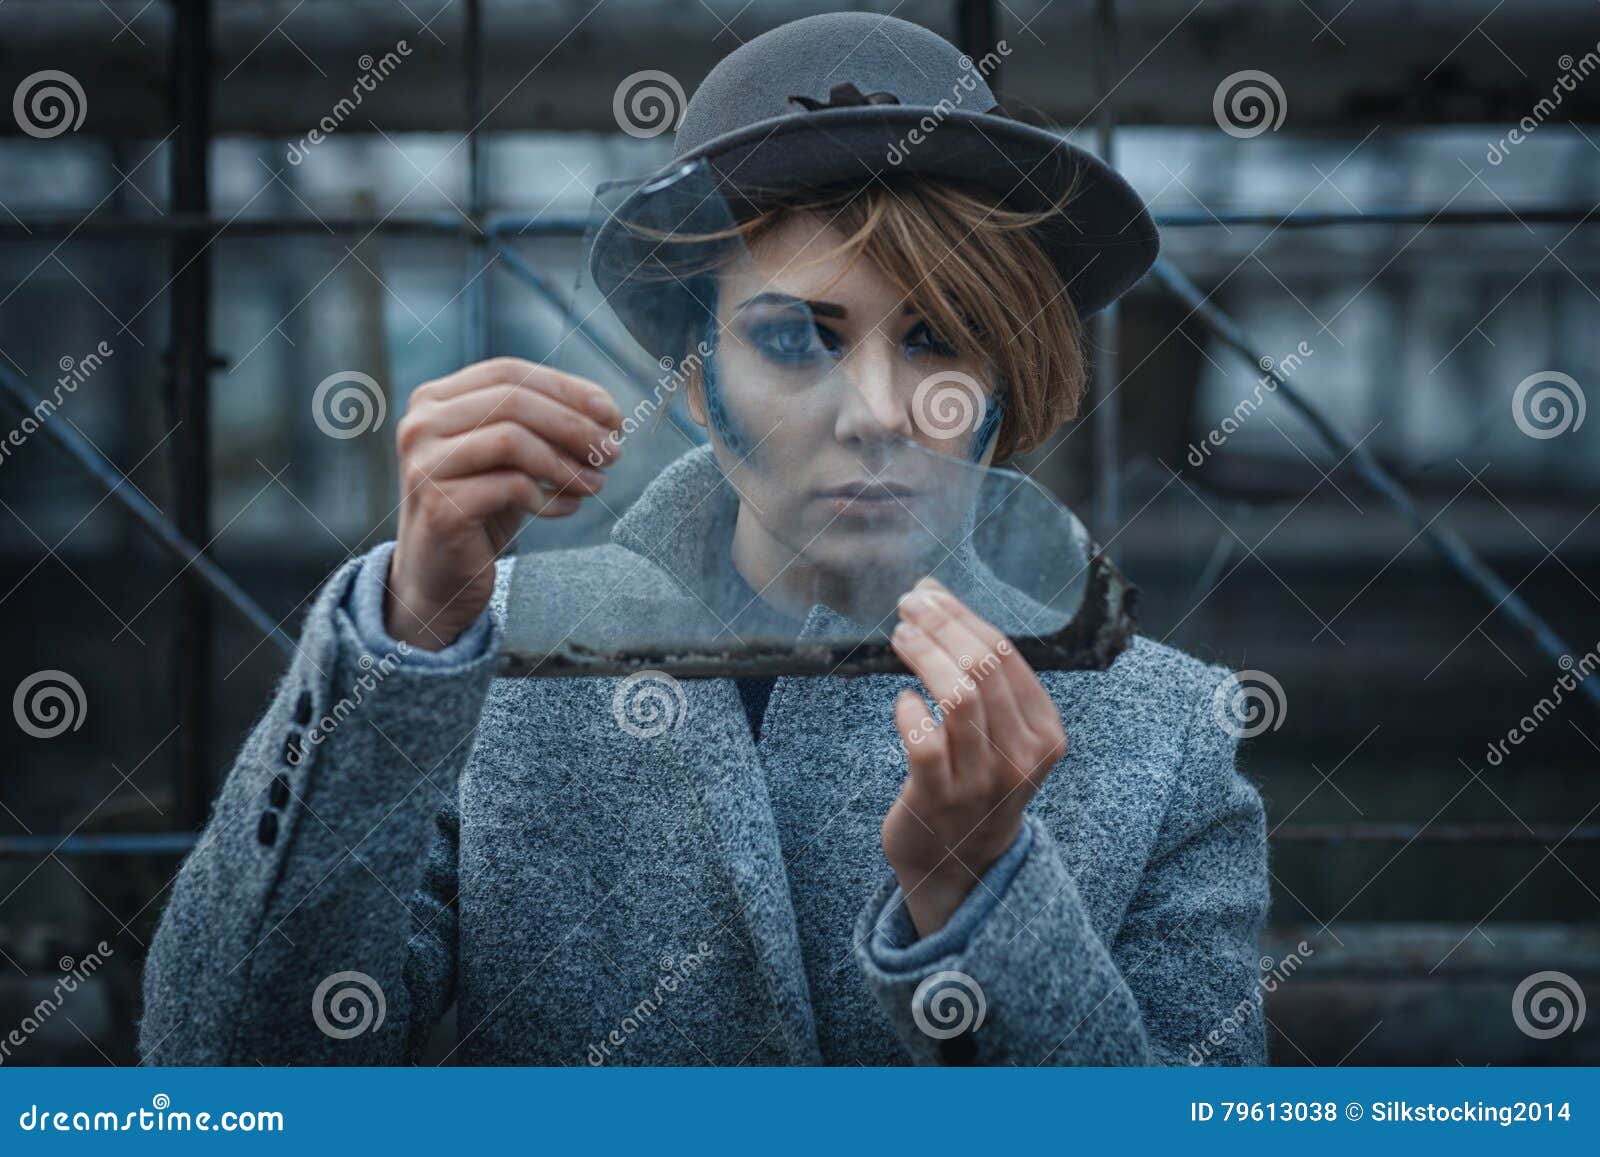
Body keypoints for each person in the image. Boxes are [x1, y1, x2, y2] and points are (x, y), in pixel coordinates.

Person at [140, 12, 1269, 1067]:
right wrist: (405, 645)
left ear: (1004, 370)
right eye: (793, 338)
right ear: (693, 370)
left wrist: (984, 895)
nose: (877, 407)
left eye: (941, 336)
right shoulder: (489, 668)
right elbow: (219, 1073)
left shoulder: (1165, 734)